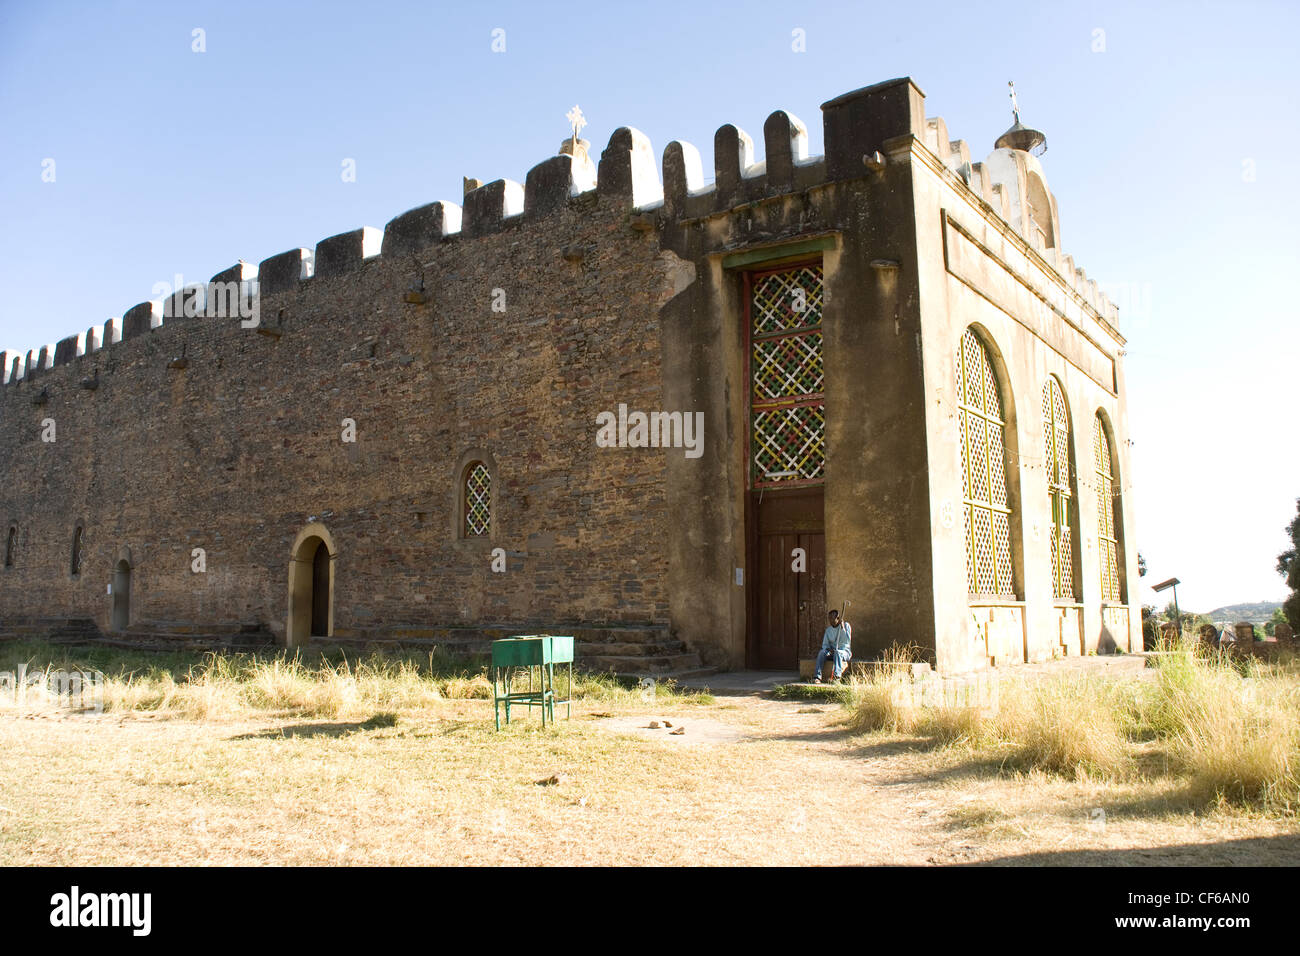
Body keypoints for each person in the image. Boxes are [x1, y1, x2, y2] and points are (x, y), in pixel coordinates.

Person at [812, 608, 852, 683]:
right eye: (829, 618)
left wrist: (842, 628)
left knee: (838, 653)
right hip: (832, 652)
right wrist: (829, 649)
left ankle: (836, 677)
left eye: (832, 618)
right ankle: (817, 677)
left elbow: (847, 640)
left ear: (838, 618)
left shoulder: (846, 626)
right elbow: (825, 645)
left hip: (844, 652)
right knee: (822, 652)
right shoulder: (828, 630)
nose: (830, 620)